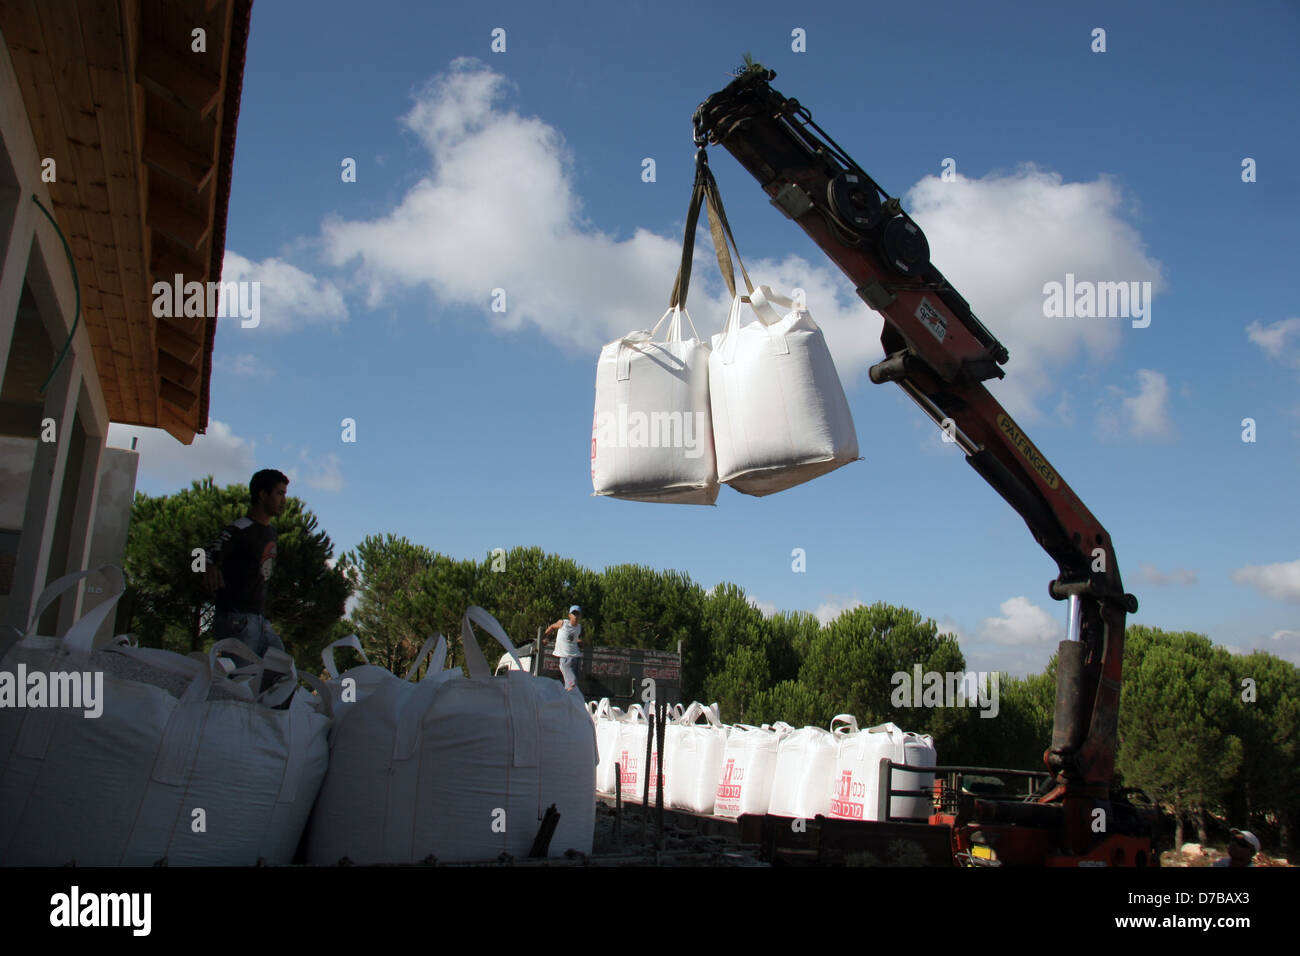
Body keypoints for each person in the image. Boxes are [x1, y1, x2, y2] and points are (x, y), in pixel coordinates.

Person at [204, 469, 289, 659]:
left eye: (285, 494)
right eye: (279, 493)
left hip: (258, 618)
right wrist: (208, 567)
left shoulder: (271, 532)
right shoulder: (240, 528)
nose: (284, 500)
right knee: (239, 682)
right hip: (236, 619)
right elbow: (204, 553)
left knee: (279, 666)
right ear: (262, 495)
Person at [545, 605, 583, 692]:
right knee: (571, 683)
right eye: (574, 614)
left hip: (575, 657)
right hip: (565, 657)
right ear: (569, 615)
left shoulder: (579, 627)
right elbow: (551, 627)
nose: (575, 616)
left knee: (572, 684)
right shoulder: (563, 623)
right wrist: (544, 636)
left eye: (577, 614)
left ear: (580, 616)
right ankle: (569, 697)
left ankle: (569, 697)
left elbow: (573, 638)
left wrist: (579, 641)